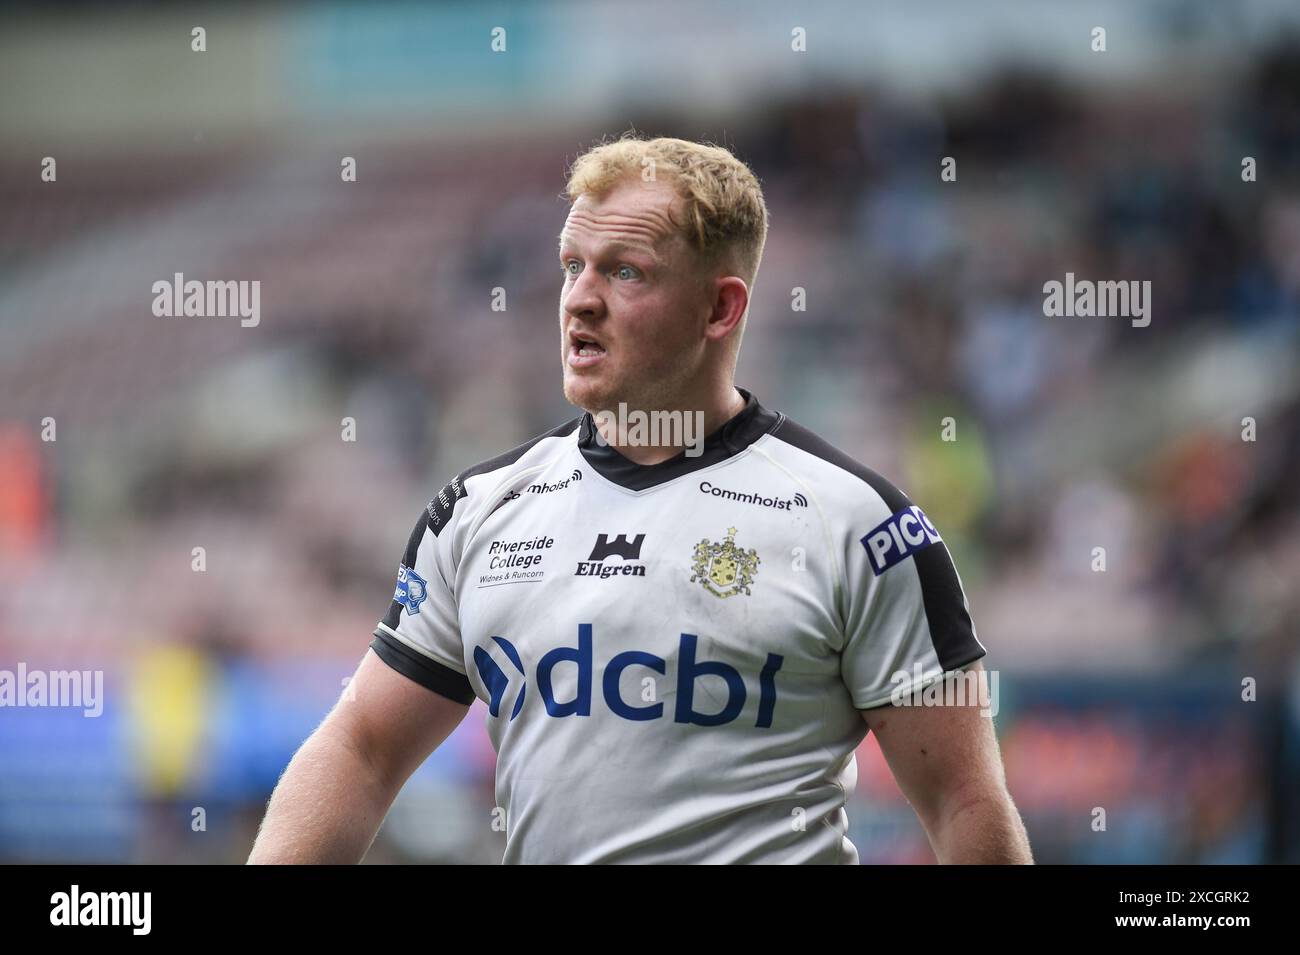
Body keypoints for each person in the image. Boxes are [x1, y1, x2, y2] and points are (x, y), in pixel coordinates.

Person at [248, 134, 1033, 864]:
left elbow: (962, 798)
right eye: (571, 265)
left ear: (721, 308)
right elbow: (364, 746)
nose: (580, 300)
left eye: (625, 271)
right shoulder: (477, 511)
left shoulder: (862, 525)